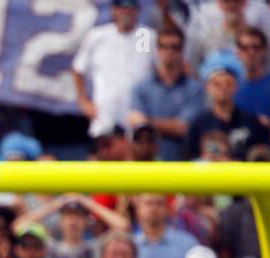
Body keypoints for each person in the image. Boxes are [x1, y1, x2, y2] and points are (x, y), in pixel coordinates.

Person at [73, 0, 156, 139]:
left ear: (137, 11)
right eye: (122, 8)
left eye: (130, 9)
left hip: (136, 116)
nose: (126, 13)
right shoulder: (99, 36)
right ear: (114, 10)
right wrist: (84, 102)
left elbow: (152, 67)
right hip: (104, 115)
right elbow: (78, 69)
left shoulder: (144, 36)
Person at [128, 24, 204, 161]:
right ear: (157, 49)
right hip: (147, 165)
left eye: (175, 47)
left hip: (182, 163)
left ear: (182, 50)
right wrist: (168, 125)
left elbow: (183, 128)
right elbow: (135, 124)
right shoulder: (142, 87)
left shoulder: (194, 89)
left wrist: (147, 122)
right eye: (164, 46)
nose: (169, 51)